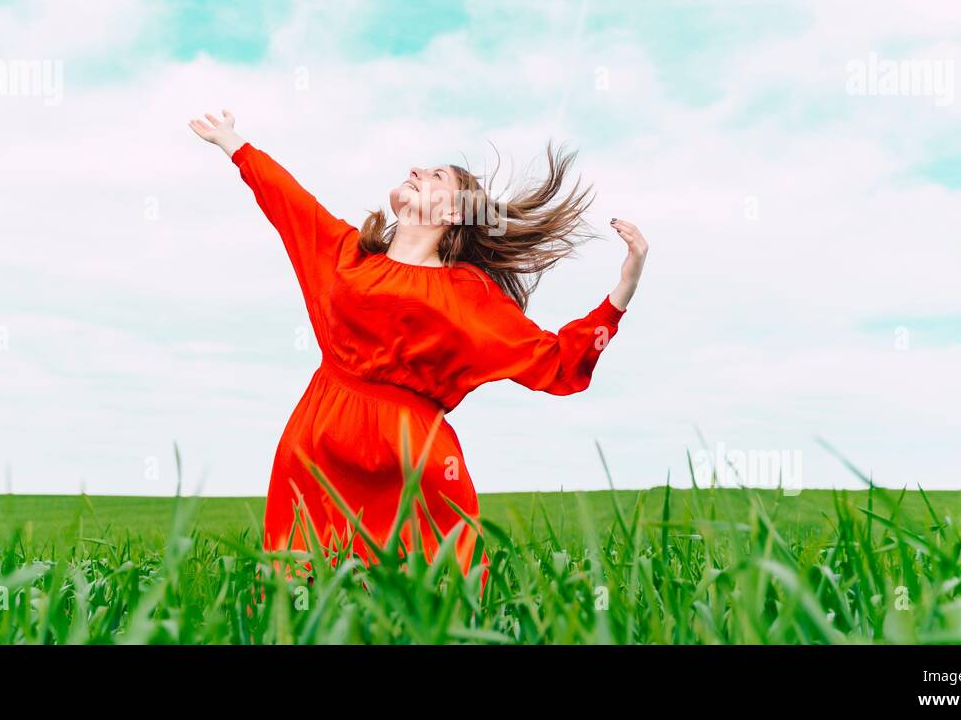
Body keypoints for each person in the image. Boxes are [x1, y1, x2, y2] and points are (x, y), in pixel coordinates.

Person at [189, 110, 647, 591]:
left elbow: (554, 361)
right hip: (316, 442)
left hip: (412, 455)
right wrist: (234, 144)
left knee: (432, 591)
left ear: (453, 213)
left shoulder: (468, 293)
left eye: (435, 177)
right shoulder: (347, 255)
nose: (415, 171)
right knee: (299, 581)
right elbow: (290, 203)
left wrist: (623, 289)